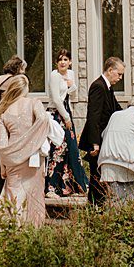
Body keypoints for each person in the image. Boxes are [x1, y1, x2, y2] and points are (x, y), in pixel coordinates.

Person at [0, 74, 51, 226]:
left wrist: (2, 166)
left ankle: (11, 227)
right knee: (33, 194)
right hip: (32, 157)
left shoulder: (4, 111)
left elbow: (1, 144)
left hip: (11, 158)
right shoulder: (34, 103)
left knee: (13, 193)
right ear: (25, 89)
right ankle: (32, 229)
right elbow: (43, 120)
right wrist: (32, 140)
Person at [78, 56, 125, 207]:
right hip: (97, 139)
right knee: (97, 175)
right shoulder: (98, 86)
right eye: (119, 74)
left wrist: (132, 114)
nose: (120, 78)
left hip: (104, 137)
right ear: (110, 70)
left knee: (99, 174)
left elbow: (116, 109)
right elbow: (93, 116)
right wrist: (94, 143)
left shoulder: (108, 88)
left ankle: (96, 206)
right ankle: (95, 206)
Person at [0, 56, 26, 201]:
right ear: (18, 69)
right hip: (0, 118)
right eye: (23, 70)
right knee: (3, 155)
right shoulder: (13, 81)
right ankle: (2, 196)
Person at [45, 51, 88, 197]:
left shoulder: (71, 73)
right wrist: (66, 118)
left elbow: (74, 95)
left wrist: (72, 85)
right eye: (60, 60)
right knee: (58, 149)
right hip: (58, 114)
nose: (62, 62)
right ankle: (52, 186)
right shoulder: (54, 75)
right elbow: (56, 99)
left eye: (65, 59)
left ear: (70, 61)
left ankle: (74, 185)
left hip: (67, 111)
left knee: (72, 149)